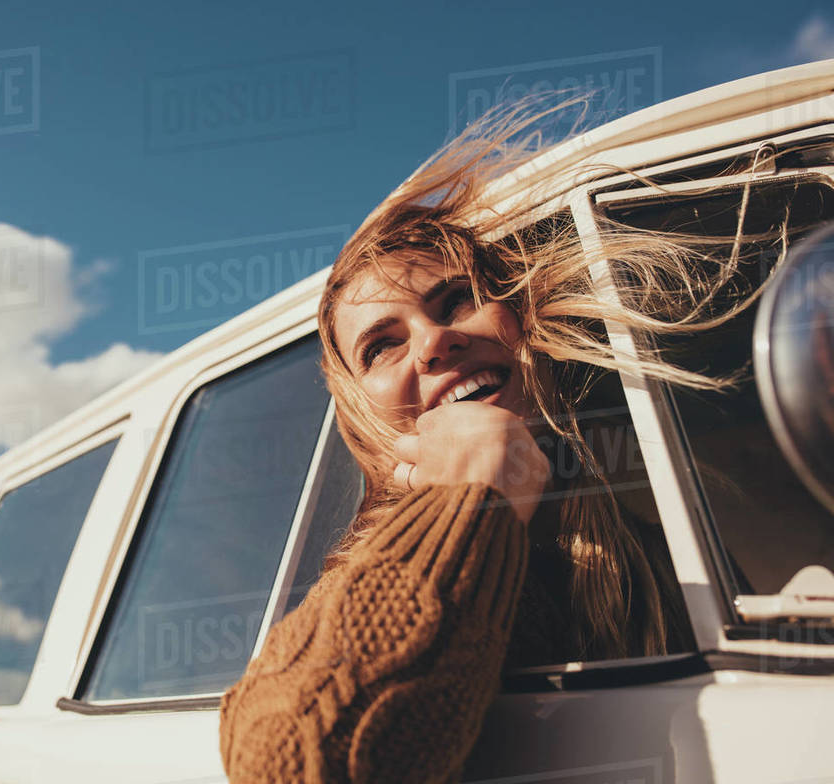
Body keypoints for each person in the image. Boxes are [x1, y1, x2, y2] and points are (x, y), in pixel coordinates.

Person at [218, 99, 757, 783]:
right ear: (365, 419)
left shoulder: (667, 556)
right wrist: (473, 495)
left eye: (457, 301)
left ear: (518, 322)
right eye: (382, 346)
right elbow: (294, 763)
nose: (435, 342)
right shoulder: (354, 584)